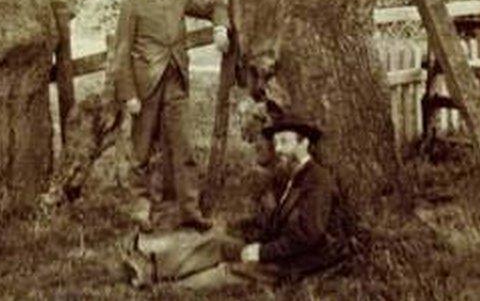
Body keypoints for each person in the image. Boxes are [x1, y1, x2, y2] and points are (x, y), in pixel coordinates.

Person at [117, 106, 350, 290]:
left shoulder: (318, 181)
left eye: (285, 142)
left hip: (300, 263)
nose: (278, 149)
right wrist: (252, 241)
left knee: (230, 271)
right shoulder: (290, 175)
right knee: (218, 244)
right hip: (280, 250)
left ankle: (174, 289)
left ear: (304, 143)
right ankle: (153, 268)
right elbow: (276, 225)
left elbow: (308, 236)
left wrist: (261, 252)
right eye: (277, 142)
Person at [114, 0, 230, 232]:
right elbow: (122, 53)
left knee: (184, 149)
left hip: (176, 82)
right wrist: (128, 94)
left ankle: (190, 212)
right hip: (145, 87)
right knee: (140, 153)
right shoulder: (132, 4)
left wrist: (220, 28)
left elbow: (214, 5)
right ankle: (141, 210)